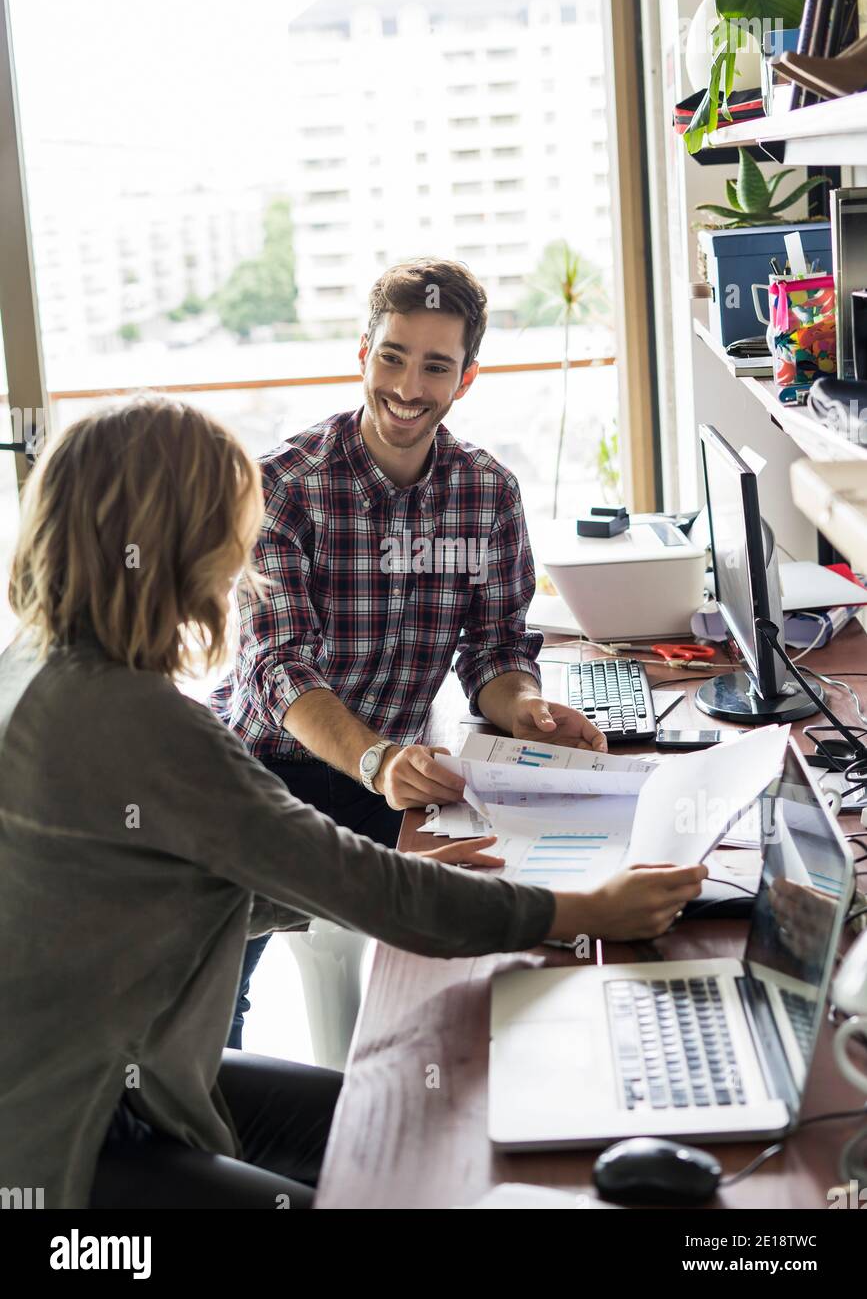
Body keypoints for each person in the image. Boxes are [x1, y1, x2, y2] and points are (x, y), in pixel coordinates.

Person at [0, 396, 705, 1209]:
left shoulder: (39, 673)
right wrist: (582, 909)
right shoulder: (137, 720)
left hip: (124, 1076)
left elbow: (167, 892)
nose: (244, 564)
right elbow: (362, 889)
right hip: (78, 1139)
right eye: (233, 533)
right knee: (395, 1169)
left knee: (397, 1124)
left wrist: (401, 867)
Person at [212, 257, 610, 1045]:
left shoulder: (486, 492)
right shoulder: (284, 488)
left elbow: (494, 647)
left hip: (393, 778)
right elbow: (277, 667)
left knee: (518, 898)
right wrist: (375, 761)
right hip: (266, 773)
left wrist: (525, 707)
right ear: (363, 355)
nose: (406, 385)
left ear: (464, 379)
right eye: (391, 356)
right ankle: (204, 1148)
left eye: (435, 365)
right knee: (215, 993)